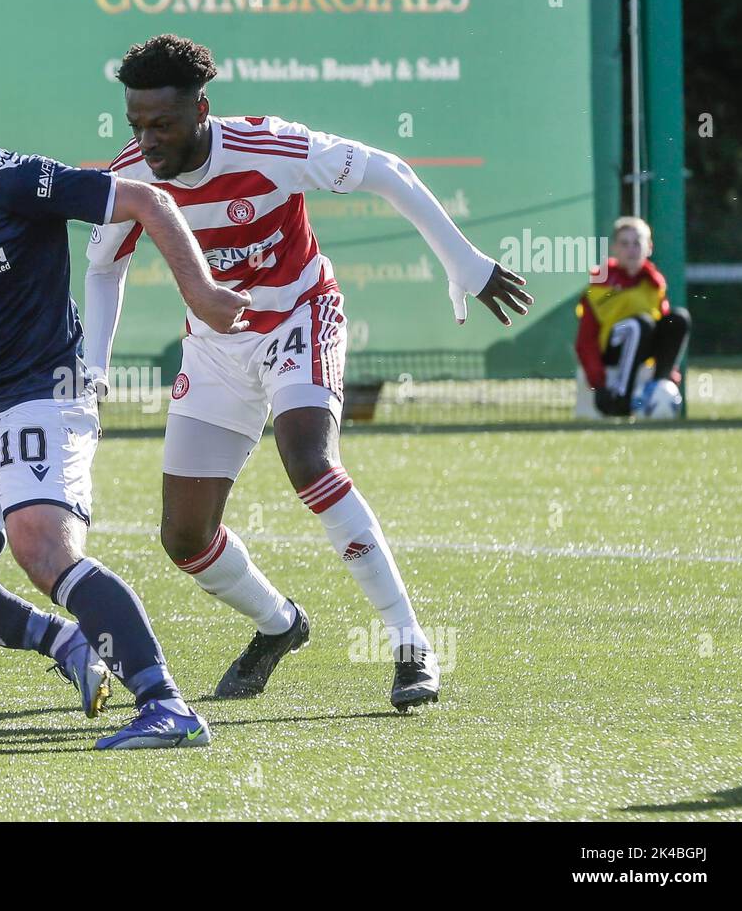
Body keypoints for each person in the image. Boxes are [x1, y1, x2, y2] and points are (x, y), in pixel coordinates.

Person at [84, 35, 533, 710]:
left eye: (163, 124)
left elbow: (388, 170)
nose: (147, 139)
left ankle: (410, 643)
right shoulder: (134, 177)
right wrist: (94, 369)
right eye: (137, 124)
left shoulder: (269, 148)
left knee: (308, 460)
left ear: (202, 109)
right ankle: (279, 625)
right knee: (183, 536)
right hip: (213, 347)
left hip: (299, 317)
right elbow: (101, 266)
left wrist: (464, 264)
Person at [0, 52, 252, 749]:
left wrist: (203, 296)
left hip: (44, 399)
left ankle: (166, 704)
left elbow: (148, 199)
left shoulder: (8, 178)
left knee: (42, 546)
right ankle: (66, 644)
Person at [576, 216, 690, 416]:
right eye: (624, 243)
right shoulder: (601, 283)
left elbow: (662, 330)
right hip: (612, 351)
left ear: (649, 247)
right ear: (614, 248)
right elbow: (586, 341)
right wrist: (598, 384)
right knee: (639, 325)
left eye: (637, 243)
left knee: (678, 318)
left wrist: (672, 374)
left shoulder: (653, 284)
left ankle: (657, 387)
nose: (631, 249)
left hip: (642, 347)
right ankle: (621, 399)